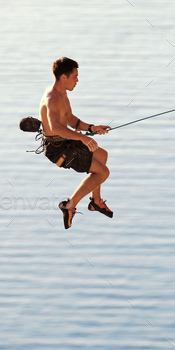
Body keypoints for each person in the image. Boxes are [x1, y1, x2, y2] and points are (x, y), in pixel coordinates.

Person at [39, 57, 112, 229]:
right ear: (63, 77)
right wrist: (82, 138)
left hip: (66, 141)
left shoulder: (62, 93)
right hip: (58, 150)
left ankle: (95, 202)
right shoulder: (52, 98)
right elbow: (55, 127)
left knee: (102, 155)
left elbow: (69, 118)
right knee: (103, 173)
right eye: (75, 76)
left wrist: (92, 128)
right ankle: (69, 206)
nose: (77, 80)